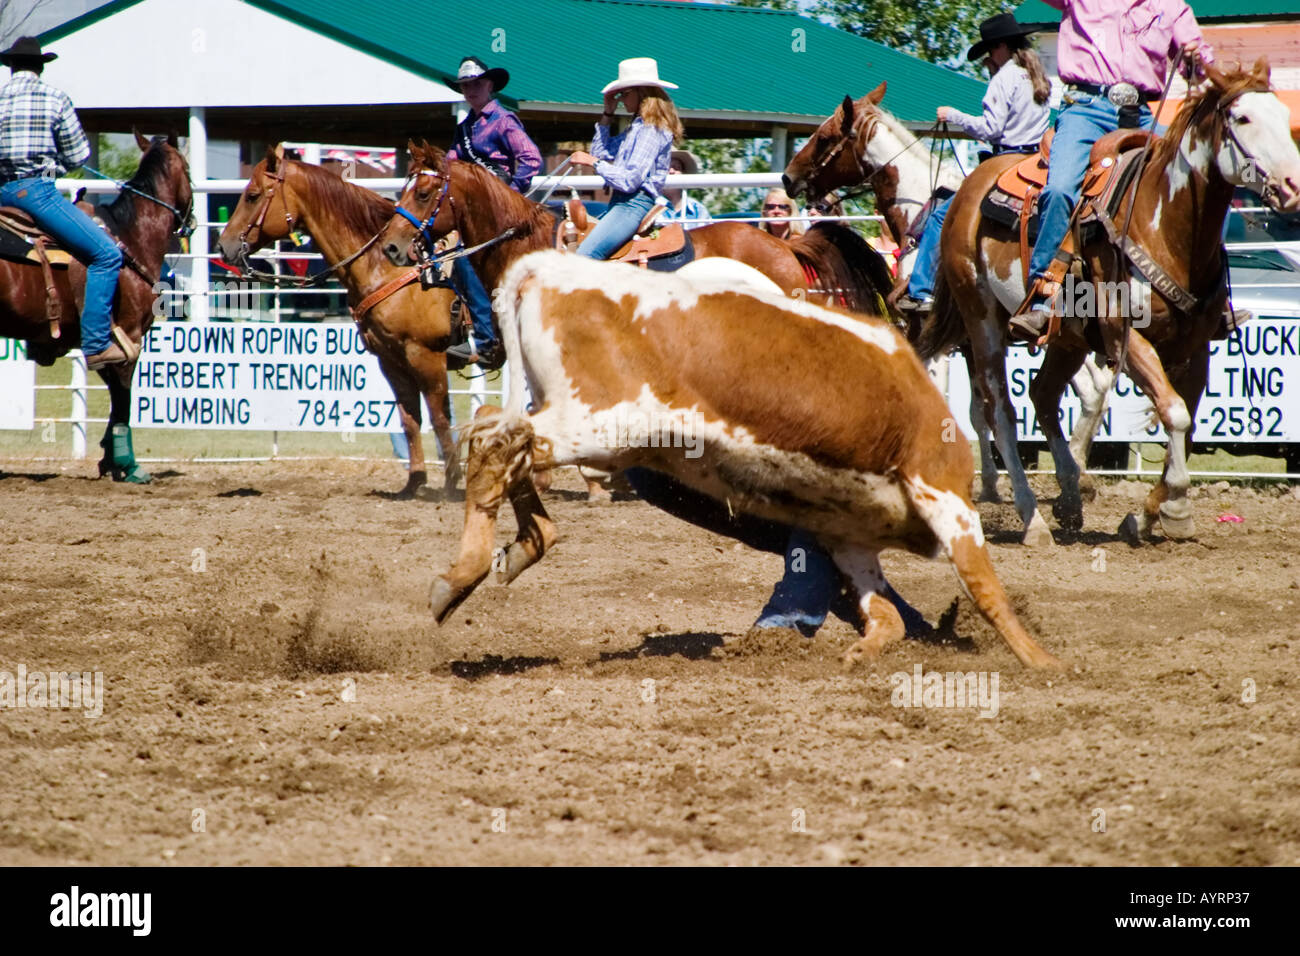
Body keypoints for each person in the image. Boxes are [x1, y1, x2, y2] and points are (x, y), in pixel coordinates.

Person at [1010, 0, 1213, 341]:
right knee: (1060, 188)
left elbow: (1201, 67)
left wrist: (1196, 59)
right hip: (1086, 109)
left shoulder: (1172, 7)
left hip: (1142, 114)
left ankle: (1211, 300)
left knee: (1200, 181)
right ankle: (1042, 296)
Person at [897, 14, 1051, 313]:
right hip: (1036, 161)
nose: (990, 58)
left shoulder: (1003, 78)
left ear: (1003, 47)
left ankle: (921, 290)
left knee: (943, 217)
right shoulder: (1036, 75)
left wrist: (953, 115)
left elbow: (990, 130)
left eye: (991, 50)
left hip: (1006, 159)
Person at [0, 36, 125, 369]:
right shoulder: (54, 98)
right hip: (35, 194)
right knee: (106, 255)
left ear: (10, 67)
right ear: (40, 66)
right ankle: (97, 344)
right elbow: (78, 154)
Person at [440, 56, 542, 371]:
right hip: (476, 216)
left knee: (466, 258)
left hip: (501, 211)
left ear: (489, 85)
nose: (471, 89)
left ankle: (485, 339)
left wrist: (509, 195)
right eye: (466, 85)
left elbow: (530, 158)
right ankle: (462, 329)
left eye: (476, 84)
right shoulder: (464, 129)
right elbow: (451, 166)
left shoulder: (504, 121)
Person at [568, 58, 680, 259]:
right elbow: (600, 152)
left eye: (624, 94)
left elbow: (629, 181)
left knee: (582, 258)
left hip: (632, 205)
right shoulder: (637, 128)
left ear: (641, 93)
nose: (621, 100)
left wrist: (592, 163)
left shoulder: (651, 129)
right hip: (623, 204)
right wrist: (607, 114)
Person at [659, 149, 711, 229]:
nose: (671, 171)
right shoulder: (649, 207)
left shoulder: (698, 210)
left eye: (676, 168)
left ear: (684, 174)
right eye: (666, 168)